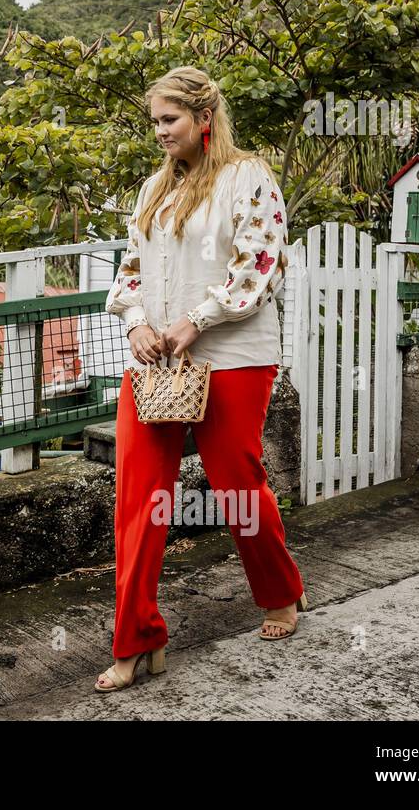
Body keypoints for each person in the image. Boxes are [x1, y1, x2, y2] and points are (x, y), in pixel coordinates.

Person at [95, 65, 307, 693]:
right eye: (154, 121)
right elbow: (129, 270)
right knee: (137, 497)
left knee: (236, 481)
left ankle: (278, 591)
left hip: (235, 351)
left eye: (170, 120)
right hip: (157, 362)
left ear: (203, 119)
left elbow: (260, 264)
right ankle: (136, 640)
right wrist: (135, 322)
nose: (159, 132)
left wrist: (197, 319)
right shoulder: (152, 190)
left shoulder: (248, 176)